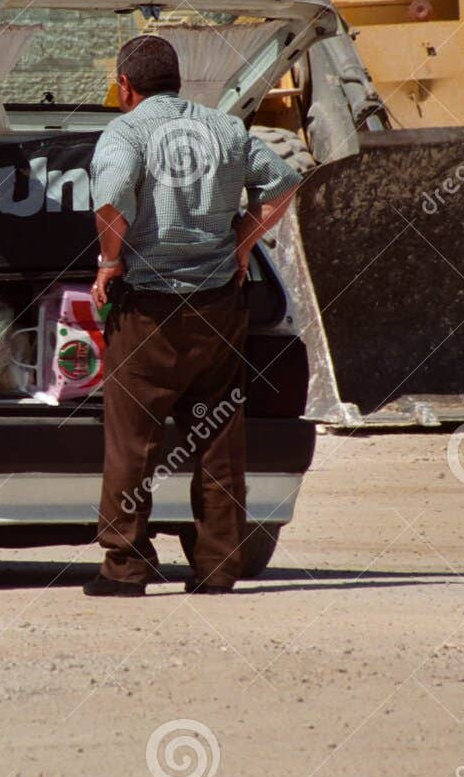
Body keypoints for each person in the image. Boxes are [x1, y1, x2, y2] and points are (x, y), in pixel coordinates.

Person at [85, 35, 303, 596]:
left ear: (126, 85)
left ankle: (127, 567)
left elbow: (110, 198)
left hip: (147, 314)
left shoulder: (126, 132)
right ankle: (217, 567)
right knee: (218, 438)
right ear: (177, 82)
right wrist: (242, 244)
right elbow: (283, 182)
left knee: (132, 444)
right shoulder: (227, 128)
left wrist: (110, 261)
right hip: (217, 308)